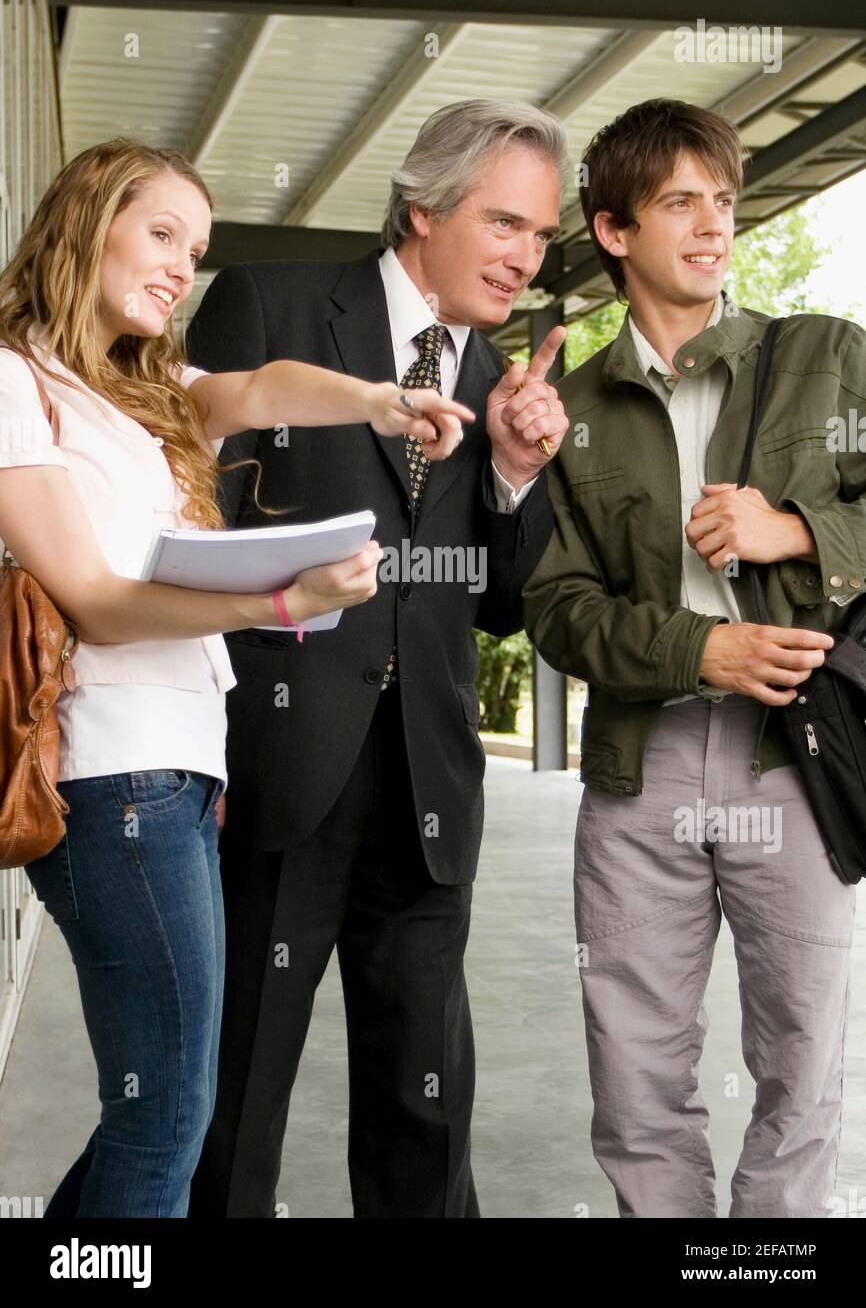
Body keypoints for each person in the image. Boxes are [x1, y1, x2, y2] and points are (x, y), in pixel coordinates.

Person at [0, 137, 472, 1218]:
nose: (181, 266)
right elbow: (98, 603)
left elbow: (259, 386)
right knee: (167, 1113)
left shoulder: (144, 385)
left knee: (165, 1104)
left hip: (178, 776)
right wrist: (279, 602)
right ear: (86, 221)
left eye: (197, 248)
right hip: (108, 775)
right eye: (161, 233)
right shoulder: (15, 382)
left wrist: (378, 401)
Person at [185, 98, 571, 1218]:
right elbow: (190, 525)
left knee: (424, 1102)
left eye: (540, 236)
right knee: (235, 1091)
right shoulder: (274, 304)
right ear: (420, 208)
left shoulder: (498, 377)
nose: (524, 257)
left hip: (427, 785)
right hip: (278, 765)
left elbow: (497, 607)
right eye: (504, 224)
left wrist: (509, 475)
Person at [523, 98, 863, 1218]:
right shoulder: (566, 412)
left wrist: (799, 528)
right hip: (638, 766)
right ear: (613, 230)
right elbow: (557, 611)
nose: (713, 224)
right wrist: (697, 647)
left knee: (802, 1065)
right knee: (636, 1084)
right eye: (680, 202)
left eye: (722, 200)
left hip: (794, 760)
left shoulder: (823, 357)